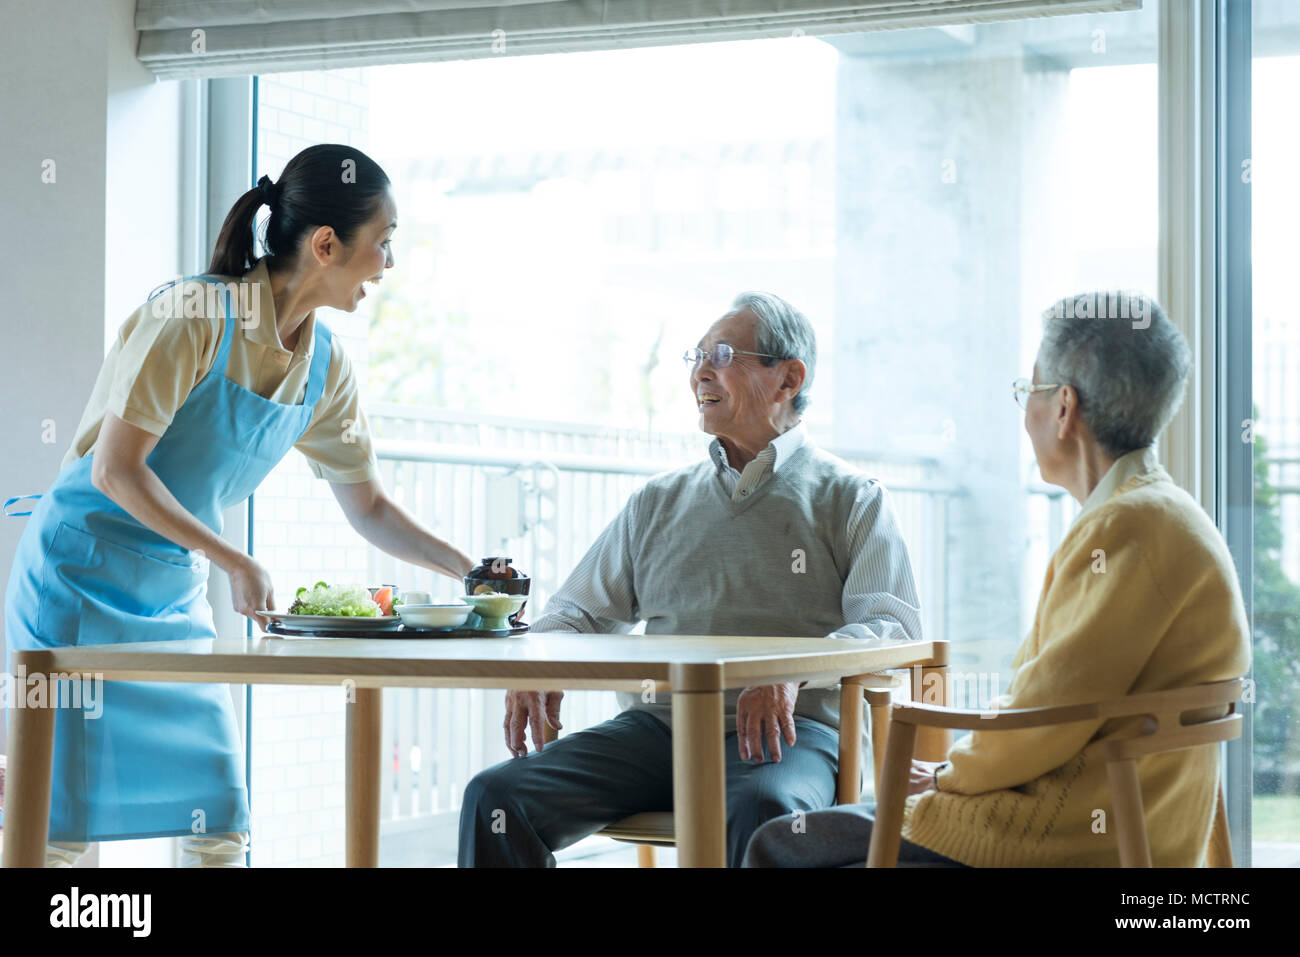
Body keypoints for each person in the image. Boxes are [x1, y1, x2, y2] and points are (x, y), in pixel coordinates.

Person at [2, 143, 473, 867]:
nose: (387, 264)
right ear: (326, 245)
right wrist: (232, 558)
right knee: (55, 826)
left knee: (218, 816)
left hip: (170, 597)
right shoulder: (189, 314)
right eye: (384, 244)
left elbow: (369, 505)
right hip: (77, 580)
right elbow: (115, 471)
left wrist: (472, 573)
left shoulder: (326, 365)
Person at [742, 290, 1251, 868]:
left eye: (1027, 391)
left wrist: (950, 776)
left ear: (1064, 408)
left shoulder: (1126, 527)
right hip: (1116, 820)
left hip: (1052, 837)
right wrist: (955, 770)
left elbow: (1048, 707)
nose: (1024, 410)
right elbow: (1063, 702)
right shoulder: (1162, 513)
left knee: (780, 843)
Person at [458, 292, 923, 868]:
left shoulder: (851, 497)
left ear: (788, 378)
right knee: (497, 798)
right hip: (657, 733)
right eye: (696, 356)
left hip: (793, 736)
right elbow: (577, 612)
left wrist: (789, 675)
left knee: (763, 810)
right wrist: (541, 667)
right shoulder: (658, 500)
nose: (700, 371)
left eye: (723, 354)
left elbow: (891, 625)